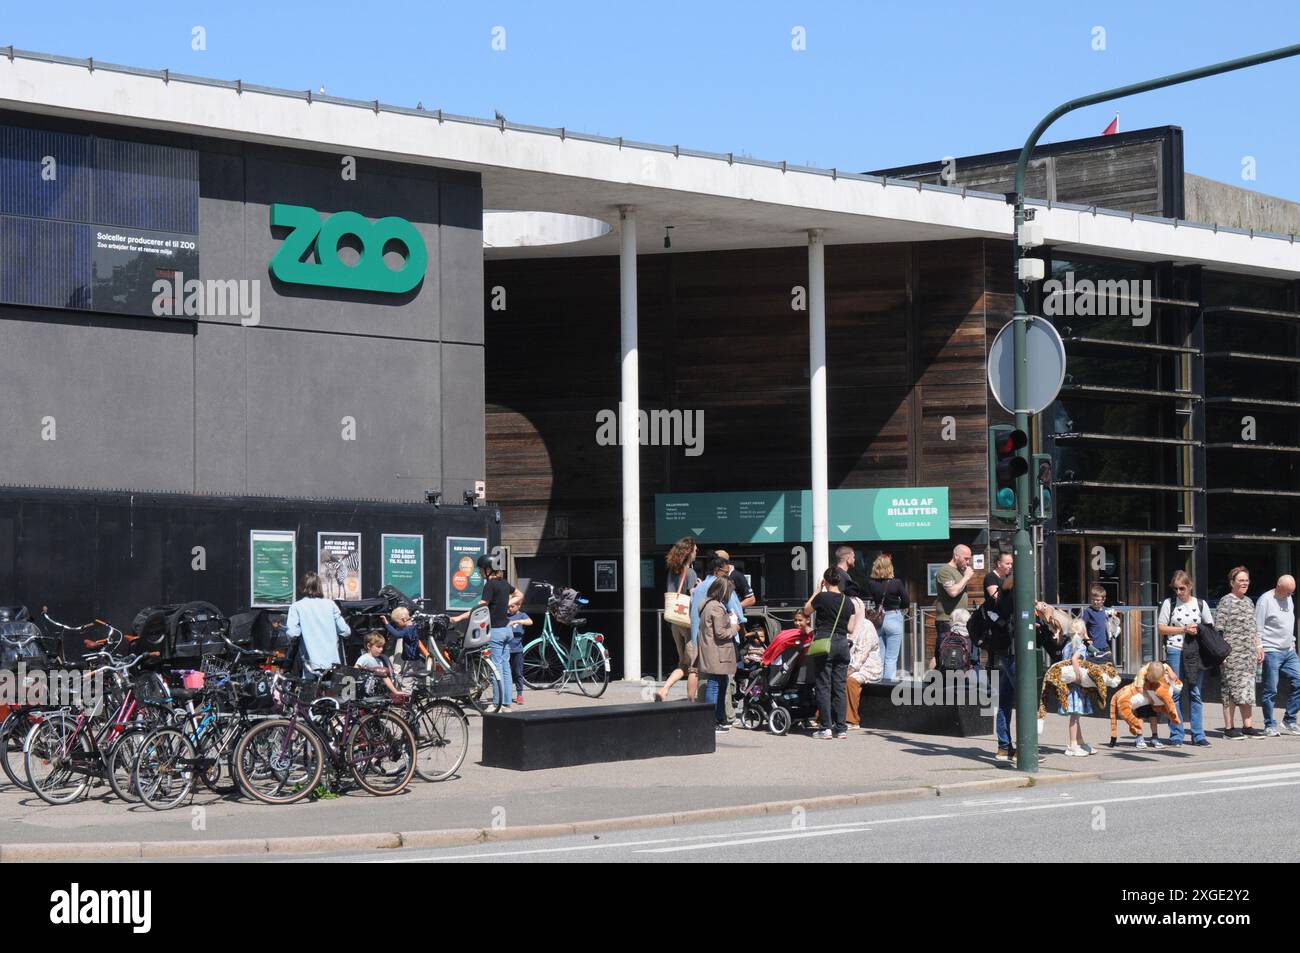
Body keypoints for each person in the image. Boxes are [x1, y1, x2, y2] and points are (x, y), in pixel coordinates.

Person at [450, 556, 522, 713]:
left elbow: (480, 608)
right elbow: (519, 595)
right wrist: (504, 604)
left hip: (495, 632)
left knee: (495, 668)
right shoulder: (504, 583)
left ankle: (496, 703)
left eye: (481, 569)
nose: (480, 572)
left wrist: (459, 618)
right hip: (507, 631)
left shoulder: (490, 585)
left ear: (488, 569)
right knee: (505, 668)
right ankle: (506, 704)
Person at [1158, 570, 1213, 747]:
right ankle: (1176, 734)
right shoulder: (1170, 603)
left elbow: (1210, 627)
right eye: (1175, 589)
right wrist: (1183, 629)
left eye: (1182, 588)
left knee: (1195, 693)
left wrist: (1198, 630)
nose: (1179, 592)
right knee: (1175, 692)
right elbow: (1161, 628)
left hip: (1195, 651)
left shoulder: (1200, 604)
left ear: (1189, 586)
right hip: (1175, 649)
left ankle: (1198, 735)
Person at [804, 567, 854, 739]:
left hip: (825, 641)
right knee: (839, 686)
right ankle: (841, 728)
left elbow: (806, 610)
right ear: (839, 581)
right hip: (842, 643)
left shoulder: (822, 597)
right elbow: (851, 628)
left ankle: (826, 728)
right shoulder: (847, 601)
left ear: (825, 581)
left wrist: (817, 590)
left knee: (823, 685)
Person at [1216, 566, 1264, 739]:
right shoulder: (1225, 602)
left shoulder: (1249, 602)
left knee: (1248, 690)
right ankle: (1229, 729)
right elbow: (1218, 631)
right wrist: (1221, 655)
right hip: (1231, 655)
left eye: (1246, 580)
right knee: (1230, 690)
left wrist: (1258, 647)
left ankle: (1248, 726)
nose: (1244, 583)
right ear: (1232, 583)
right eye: (1240, 580)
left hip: (1249, 655)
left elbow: (1253, 628)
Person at [657, 536, 700, 703]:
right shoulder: (690, 572)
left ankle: (664, 689)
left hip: (675, 621)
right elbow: (693, 595)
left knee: (683, 662)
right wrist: (699, 586)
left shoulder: (672, 571)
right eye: (695, 550)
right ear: (689, 552)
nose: (697, 553)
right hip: (687, 622)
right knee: (694, 665)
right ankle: (692, 702)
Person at [1256, 574, 1299, 736]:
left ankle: (1289, 719)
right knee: (1271, 688)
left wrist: (1293, 644)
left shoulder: (1288, 598)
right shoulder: (1265, 600)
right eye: (1287, 592)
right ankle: (1269, 724)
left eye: (1291, 593)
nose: (1289, 596)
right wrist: (1259, 646)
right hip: (1271, 650)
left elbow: (1290, 622)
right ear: (1278, 587)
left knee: (1299, 680)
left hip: (1288, 650)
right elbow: (1257, 626)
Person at [286, 572, 350, 678]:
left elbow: (293, 634)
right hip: (333, 664)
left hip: (311, 665)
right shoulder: (331, 605)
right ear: (319, 586)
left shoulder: (296, 607)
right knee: (331, 693)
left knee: (310, 693)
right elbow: (346, 631)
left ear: (302, 586)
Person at [696, 577, 739, 732]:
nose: (730, 595)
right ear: (724, 591)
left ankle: (718, 719)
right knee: (715, 685)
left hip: (711, 650)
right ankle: (713, 720)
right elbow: (720, 633)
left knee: (720, 683)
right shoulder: (717, 607)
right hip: (717, 652)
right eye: (730, 592)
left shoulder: (707, 604)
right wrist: (734, 627)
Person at [866, 554, 907, 680]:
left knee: (880, 655)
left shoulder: (871, 583)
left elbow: (874, 598)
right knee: (891, 657)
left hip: (879, 619)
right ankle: (887, 686)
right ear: (890, 567)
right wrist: (901, 607)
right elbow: (906, 600)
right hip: (893, 616)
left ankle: (878, 681)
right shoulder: (896, 583)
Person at [933, 544, 974, 669]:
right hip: (947, 620)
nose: (968, 562)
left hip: (960, 621)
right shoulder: (945, 571)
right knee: (944, 655)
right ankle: (934, 682)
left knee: (958, 654)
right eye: (966, 558)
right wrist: (966, 577)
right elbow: (953, 592)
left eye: (969, 559)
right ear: (956, 556)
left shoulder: (959, 572)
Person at [845, 595, 882, 729]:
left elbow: (861, 655)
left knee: (850, 681)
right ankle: (822, 717)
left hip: (867, 667)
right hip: (851, 664)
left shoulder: (866, 627)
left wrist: (848, 672)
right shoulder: (847, 624)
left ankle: (852, 720)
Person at [1061, 618, 1095, 756]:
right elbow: (1075, 660)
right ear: (1083, 631)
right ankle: (1072, 745)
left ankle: (1080, 741)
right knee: (1075, 715)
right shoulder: (1080, 646)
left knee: (1076, 714)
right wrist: (1079, 678)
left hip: (1068, 684)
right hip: (1076, 685)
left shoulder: (1067, 645)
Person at [381, 606, 429, 687]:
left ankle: (407, 695)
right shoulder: (414, 627)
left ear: (403, 619)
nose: (397, 626)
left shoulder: (407, 630)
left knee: (407, 681)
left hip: (411, 660)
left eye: (397, 623)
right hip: (414, 658)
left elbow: (397, 634)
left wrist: (387, 623)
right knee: (411, 676)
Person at [354, 631, 405, 699]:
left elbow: (385, 677)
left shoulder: (380, 661)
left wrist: (395, 691)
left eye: (382, 647)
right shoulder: (364, 658)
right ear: (369, 646)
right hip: (365, 695)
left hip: (378, 694)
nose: (381, 649)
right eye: (378, 647)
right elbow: (354, 671)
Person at [507, 594, 532, 705]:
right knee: (506, 673)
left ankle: (519, 694)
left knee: (518, 672)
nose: (510, 609)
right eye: (508, 606)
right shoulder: (505, 615)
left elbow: (530, 622)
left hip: (517, 649)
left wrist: (517, 621)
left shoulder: (522, 615)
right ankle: (506, 695)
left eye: (512, 606)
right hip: (506, 649)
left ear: (519, 605)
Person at [1080, 585, 1111, 662]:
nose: (1095, 602)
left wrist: (1113, 614)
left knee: (1110, 669)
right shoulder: (1088, 611)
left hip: (1105, 646)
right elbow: (1081, 626)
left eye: (1097, 600)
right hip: (1093, 647)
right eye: (1093, 599)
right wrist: (1086, 638)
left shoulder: (1105, 610)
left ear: (1103, 600)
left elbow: (1112, 615)